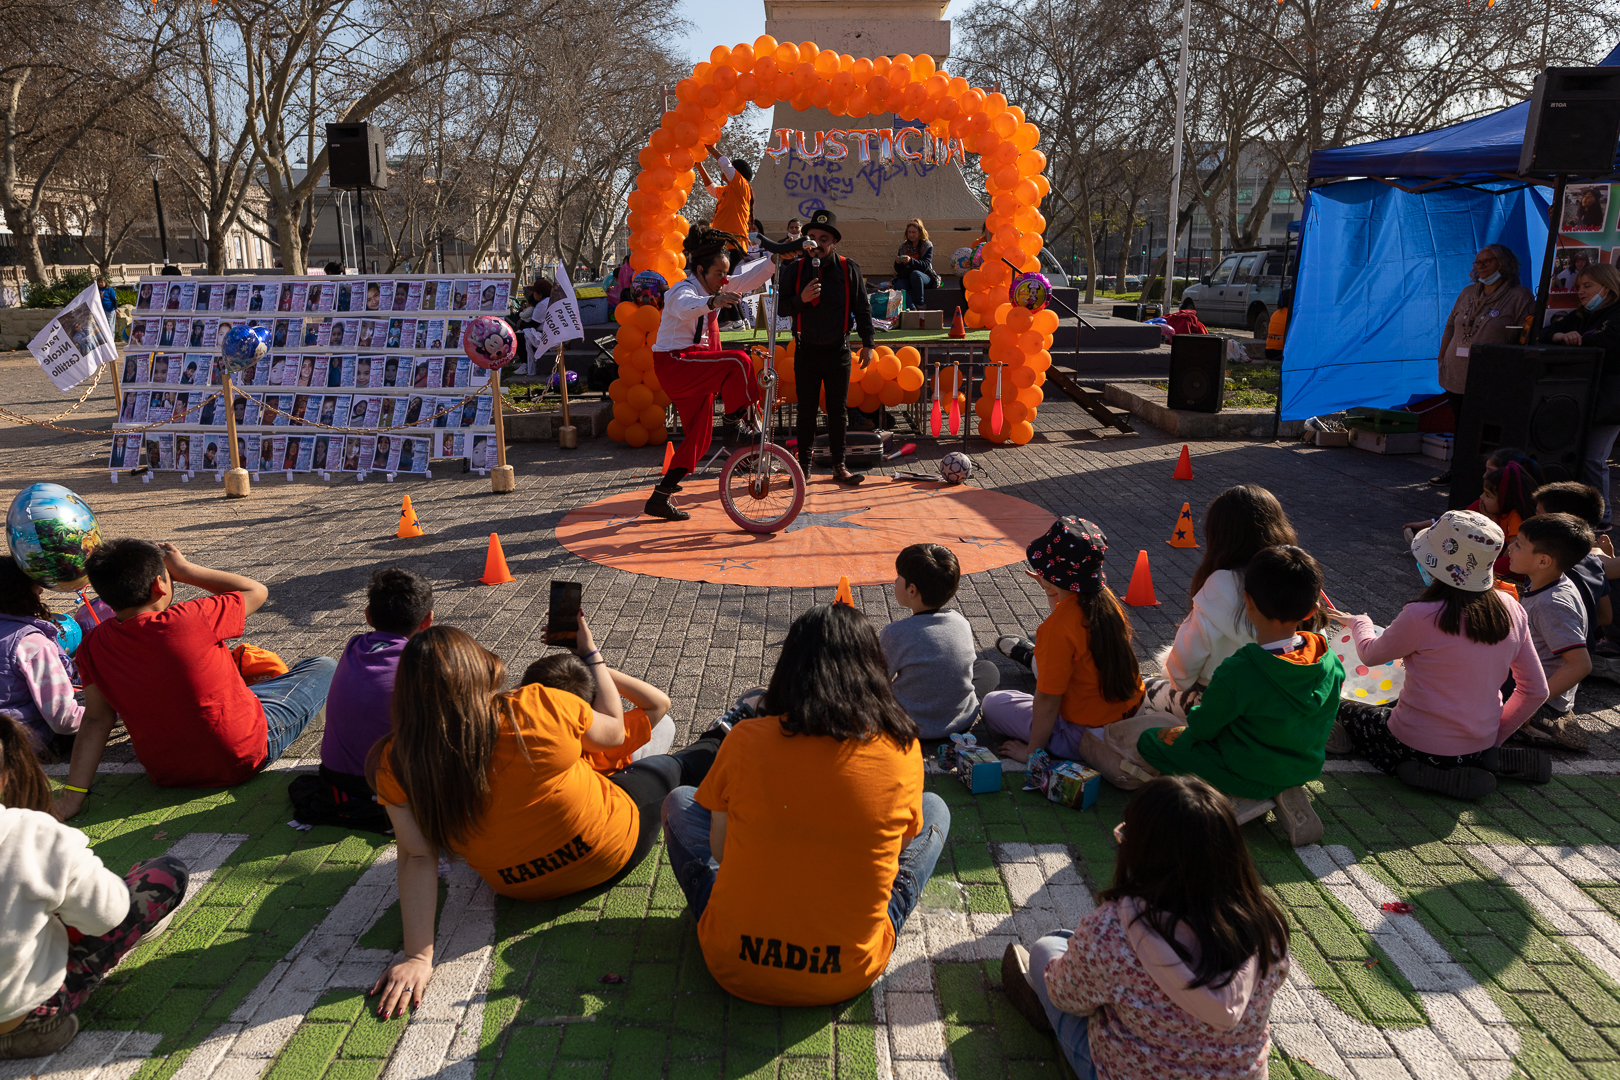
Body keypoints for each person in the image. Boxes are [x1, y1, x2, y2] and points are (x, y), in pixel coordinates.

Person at [367, 621, 729, 1018]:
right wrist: (590, 655)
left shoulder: (396, 760)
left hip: (520, 885)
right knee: (668, 763)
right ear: (482, 671)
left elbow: (417, 857)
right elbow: (615, 730)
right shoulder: (536, 704)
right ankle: (726, 734)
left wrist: (419, 956)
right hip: (609, 848)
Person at [660, 604, 949, 1007]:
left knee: (679, 800)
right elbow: (895, 853)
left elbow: (721, 852)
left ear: (789, 668)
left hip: (735, 962)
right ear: (874, 672)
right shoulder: (902, 748)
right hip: (846, 971)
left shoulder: (744, 738)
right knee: (934, 808)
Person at [1001, 776, 1290, 1080]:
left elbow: (1065, 995)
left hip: (1134, 1069)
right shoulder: (1267, 925)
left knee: (1049, 947)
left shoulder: (1112, 930)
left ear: (1141, 852)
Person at [56, 540, 337, 818]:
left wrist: (72, 797)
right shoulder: (193, 617)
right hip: (242, 756)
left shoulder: (92, 644)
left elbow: (96, 720)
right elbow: (256, 590)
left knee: (250, 692)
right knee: (322, 666)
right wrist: (185, 569)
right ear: (160, 585)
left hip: (166, 772)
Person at [1124, 546, 1345, 846]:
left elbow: (1202, 728)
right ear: (1310, 611)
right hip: (1301, 765)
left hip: (1244, 769)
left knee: (1151, 741)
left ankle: (1234, 794)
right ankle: (1277, 786)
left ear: (1247, 601)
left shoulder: (1242, 669)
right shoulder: (1327, 657)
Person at [0, 718, 190, 1061]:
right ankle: (28, 1030)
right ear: (4, 776)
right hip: (20, 1014)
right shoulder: (34, 834)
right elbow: (106, 917)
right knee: (164, 874)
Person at [1327, 511, 1550, 800]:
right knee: (1444, 736)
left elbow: (1369, 655)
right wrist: (1494, 739)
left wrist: (1360, 623)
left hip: (1416, 743)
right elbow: (1536, 689)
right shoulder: (1511, 607)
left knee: (1346, 710)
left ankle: (1420, 771)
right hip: (1481, 738)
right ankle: (1486, 758)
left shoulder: (1420, 615)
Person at [982, 518, 1146, 764]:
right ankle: (1033, 660)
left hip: (1086, 735)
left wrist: (1031, 752)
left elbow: (1048, 701)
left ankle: (1054, 741)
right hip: (1131, 715)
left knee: (993, 704)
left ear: (1053, 575)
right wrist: (1053, 588)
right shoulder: (1107, 602)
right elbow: (1067, 622)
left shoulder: (1056, 629)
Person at [1130, 485, 1301, 718]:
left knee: (1142, 688)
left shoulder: (1217, 589)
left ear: (1219, 536)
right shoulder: (1298, 577)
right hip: (1286, 699)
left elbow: (1180, 677)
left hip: (1218, 704)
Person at [288, 568, 434, 834]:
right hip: (385, 784)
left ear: (368, 616)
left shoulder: (355, 645)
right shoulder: (423, 663)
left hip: (336, 780)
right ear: (428, 620)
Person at [642, 226, 763, 521]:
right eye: (719, 274)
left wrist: (778, 260)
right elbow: (684, 308)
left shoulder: (715, 284)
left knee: (700, 439)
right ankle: (734, 423)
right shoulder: (683, 289)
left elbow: (749, 278)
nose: (725, 280)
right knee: (738, 361)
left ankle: (660, 497)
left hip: (694, 366)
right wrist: (712, 302)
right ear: (700, 270)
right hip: (676, 363)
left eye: (726, 274)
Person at [775, 209, 877, 486]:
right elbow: (781, 306)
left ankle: (838, 466)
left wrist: (868, 343)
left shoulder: (848, 268)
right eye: (811, 237)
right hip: (806, 350)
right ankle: (803, 467)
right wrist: (801, 299)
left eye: (823, 238)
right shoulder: (794, 269)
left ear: (834, 242)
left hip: (837, 351)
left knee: (838, 410)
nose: (816, 243)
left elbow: (862, 308)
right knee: (806, 410)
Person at [1430, 245, 1533, 487]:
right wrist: (1442, 355)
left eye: (1488, 261)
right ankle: (1457, 472)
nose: (1481, 265)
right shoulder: (1467, 293)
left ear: (1504, 264)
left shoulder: (1520, 296)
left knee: (1486, 432)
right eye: (1478, 262)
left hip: (1491, 378)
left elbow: (1525, 334)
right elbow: (1450, 326)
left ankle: (1486, 478)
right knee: (1461, 427)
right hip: (1456, 373)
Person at [879, 543, 999, 739]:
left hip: (908, 725)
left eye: (898, 576)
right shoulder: (961, 623)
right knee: (988, 668)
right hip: (959, 722)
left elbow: (878, 681)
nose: (894, 580)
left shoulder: (894, 633)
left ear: (912, 590)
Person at [1506, 513, 1595, 752]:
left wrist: (1530, 703)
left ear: (1543, 561)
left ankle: (1535, 725)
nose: (1510, 548)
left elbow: (1580, 665)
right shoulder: (1547, 581)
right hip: (1529, 682)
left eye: (1519, 545)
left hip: (1537, 696)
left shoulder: (1552, 603)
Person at [1542, 261, 1620, 524]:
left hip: (1612, 398)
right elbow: (1547, 332)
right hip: (1582, 396)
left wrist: (1576, 338)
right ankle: (1581, 513)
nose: (1581, 292)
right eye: (1578, 287)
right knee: (1579, 456)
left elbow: (1607, 339)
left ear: (1608, 287)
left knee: (1594, 458)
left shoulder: (1617, 312)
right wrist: (1558, 336)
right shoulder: (1582, 314)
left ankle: (1603, 517)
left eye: (1588, 286)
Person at [521, 653, 676, 773]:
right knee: (665, 724)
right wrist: (594, 664)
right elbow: (660, 704)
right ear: (584, 710)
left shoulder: (512, 736)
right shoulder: (600, 745)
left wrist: (529, 690)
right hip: (618, 775)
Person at [0, 560, 82, 759]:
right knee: (95, 700)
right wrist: (110, 714)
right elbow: (63, 720)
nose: (41, 592)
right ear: (25, 594)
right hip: (19, 746)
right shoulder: (32, 643)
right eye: (37, 588)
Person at [1532, 482, 1613, 661]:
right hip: (1582, 651)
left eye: (1538, 516)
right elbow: (1606, 617)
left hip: (1545, 661)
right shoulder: (1593, 562)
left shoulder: (1545, 566)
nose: (1531, 521)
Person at [695, 146, 753, 242]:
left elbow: (726, 165)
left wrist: (711, 149)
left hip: (734, 244)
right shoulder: (727, 190)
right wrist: (699, 166)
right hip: (720, 242)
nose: (723, 170)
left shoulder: (743, 186)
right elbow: (712, 189)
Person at [891, 219, 938, 311]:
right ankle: (911, 308)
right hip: (908, 277)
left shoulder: (927, 245)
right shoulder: (903, 247)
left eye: (914, 232)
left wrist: (910, 261)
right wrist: (898, 262)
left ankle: (920, 304)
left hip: (925, 277)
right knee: (899, 284)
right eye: (909, 232)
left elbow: (925, 266)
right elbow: (899, 271)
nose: (911, 235)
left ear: (920, 233)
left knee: (915, 274)